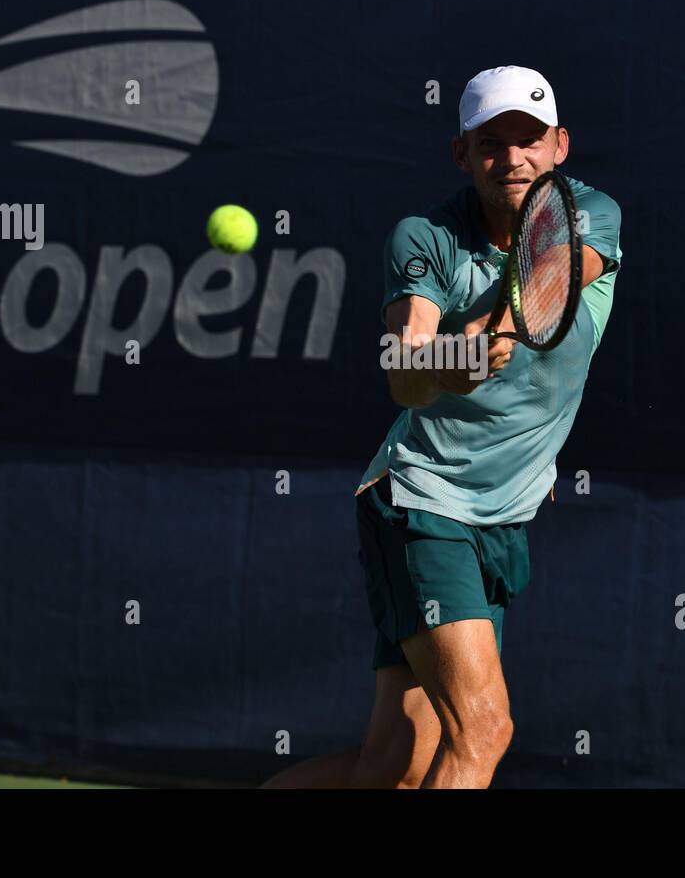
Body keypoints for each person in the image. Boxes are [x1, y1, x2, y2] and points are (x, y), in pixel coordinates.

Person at [262, 65, 622, 788]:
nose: (513, 158)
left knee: (395, 766)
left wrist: (486, 331)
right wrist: (451, 365)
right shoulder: (423, 237)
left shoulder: (591, 213)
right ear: (462, 153)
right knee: (485, 730)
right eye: (493, 143)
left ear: (560, 148)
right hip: (421, 503)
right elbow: (404, 370)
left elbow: (552, 279)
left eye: (529, 140)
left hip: (504, 515)